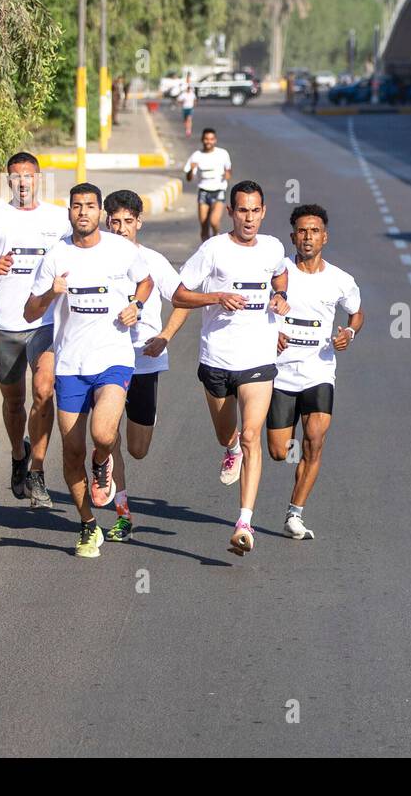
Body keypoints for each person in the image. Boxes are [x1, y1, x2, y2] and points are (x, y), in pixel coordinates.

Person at [23, 183, 153, 558]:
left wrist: (136, 305)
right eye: (77, 206)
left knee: (103, 433)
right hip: (70, 365)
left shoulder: (121, 249)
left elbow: (145, 281)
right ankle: (87, 524)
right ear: (69, 213)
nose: (83, 212)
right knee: (71, 450)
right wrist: (52, 293)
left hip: (113, 357)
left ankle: (103, 464)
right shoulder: (55, 256)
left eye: (90, 206)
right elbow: (30, 313)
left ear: (99, 213)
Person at [172, 180, 289, 557]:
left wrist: (281, 295)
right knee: (230, 435)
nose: (249, 218)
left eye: (256, 211)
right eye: (242, 211)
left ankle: (244, 522)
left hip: (258, 359)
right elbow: (179, 294)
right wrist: (217, 297)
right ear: (230, 212)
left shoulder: (272, 247)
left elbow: (280, 274)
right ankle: (230, 446)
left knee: (253, 436)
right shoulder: (213, 250)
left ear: (264, 212)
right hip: (218, 359)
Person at [0, 152, 70, 506]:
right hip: (6, 324)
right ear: (8, 181)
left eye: (29, 176)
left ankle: (37, 470)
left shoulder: (59, 219)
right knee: (14, 401)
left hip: (45, 323)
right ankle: (18, 457)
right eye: (16, 177)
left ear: (39, 179)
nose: (23, 182)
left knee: (43, 391)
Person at [266, 205, 363, 541]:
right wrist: (270, 333)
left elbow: (356, 313)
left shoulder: (340, 280)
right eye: (302, 231)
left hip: (319, 370)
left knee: (315, 441)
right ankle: (285, 441)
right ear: (293, 236)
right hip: (280, 373)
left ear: (325, 236)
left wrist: (349, 334)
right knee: (279, 452)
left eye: (315, 231)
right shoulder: (277, 274)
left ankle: (295, 513)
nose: (308, 237)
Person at [101, 190, 190, 541]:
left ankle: (113, 446)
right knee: (106, 436)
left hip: (144, 362)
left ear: (139, 222)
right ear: (107, 222)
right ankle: (122, 513)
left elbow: (182, 299)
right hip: (105, 360)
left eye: (128, 221)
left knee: (137, 449)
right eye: (115, 221)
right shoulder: (94, 257)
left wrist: (165, 336)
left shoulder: (153, 261)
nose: (121, 228)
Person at [184, 128, 232, 242]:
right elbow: (189, 178)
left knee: (214, 221)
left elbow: (229, 171)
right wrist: (191, 169)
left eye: (211, 139)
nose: (208, 141)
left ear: (215, 140)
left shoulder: (223, 153)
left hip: (218, 190)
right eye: (206, 139)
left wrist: (227, 175)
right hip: (204, 192)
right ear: (202, 140)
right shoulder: (197, 155)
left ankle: (216, 237)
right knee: (204, 225)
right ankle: (205, 248)